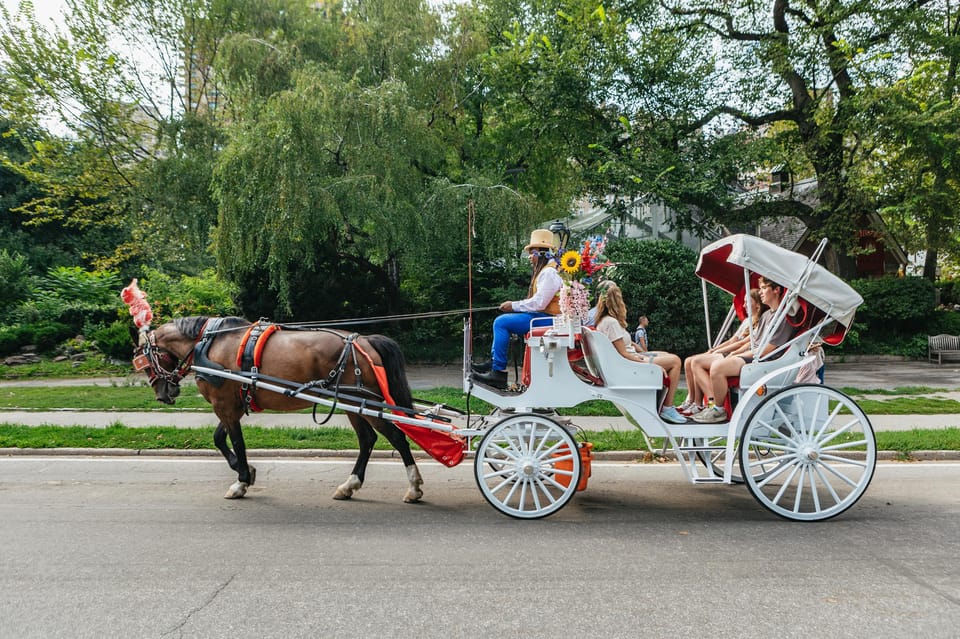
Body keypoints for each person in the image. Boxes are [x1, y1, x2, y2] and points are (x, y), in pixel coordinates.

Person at [693, 276, 794, 423]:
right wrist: (734, 353)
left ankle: (718, 410)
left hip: (764, 360)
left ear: (777, 290)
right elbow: (752, 342)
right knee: (703, 363)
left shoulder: (783, 318)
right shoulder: (767, 315)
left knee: (717, 368)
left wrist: (736, 355)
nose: (760, 292)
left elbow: (767, 349)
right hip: (754, 355)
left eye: (764, 288)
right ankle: (707, 405)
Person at [472, 229, 564, 389]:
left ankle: (498, 372)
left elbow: (539, 303)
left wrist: (513, 305)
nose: (529, 258)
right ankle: (494, 363)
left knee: (501, 322)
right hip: (543, 316)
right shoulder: (546, 270)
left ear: (539, 253)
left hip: (548, 319)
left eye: (531, 254)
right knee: (502, 322)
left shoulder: (549, 272)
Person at [593, 282, 687, 424]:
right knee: (675, 361)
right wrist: (647, 363)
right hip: (629, 365)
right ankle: (667, 407)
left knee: (666, 354)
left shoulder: (606, 321)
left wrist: (644, 353)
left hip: (628, 360)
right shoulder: (611, 323)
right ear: (617, 301)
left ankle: (663, 403)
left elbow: (627, 345)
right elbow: (624, 354)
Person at [678, 288, 764, 417]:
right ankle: (693, 401)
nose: (744, 305)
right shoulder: (747, 321)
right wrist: (715, 350)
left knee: (695, 362)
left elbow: (741, 343)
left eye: (747, 302)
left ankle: (712, 404)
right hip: (731, 352)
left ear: (757, 304)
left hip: (738, 354)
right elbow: (732, 340)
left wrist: (719, 351)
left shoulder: (759, 322)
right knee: (689, 361)